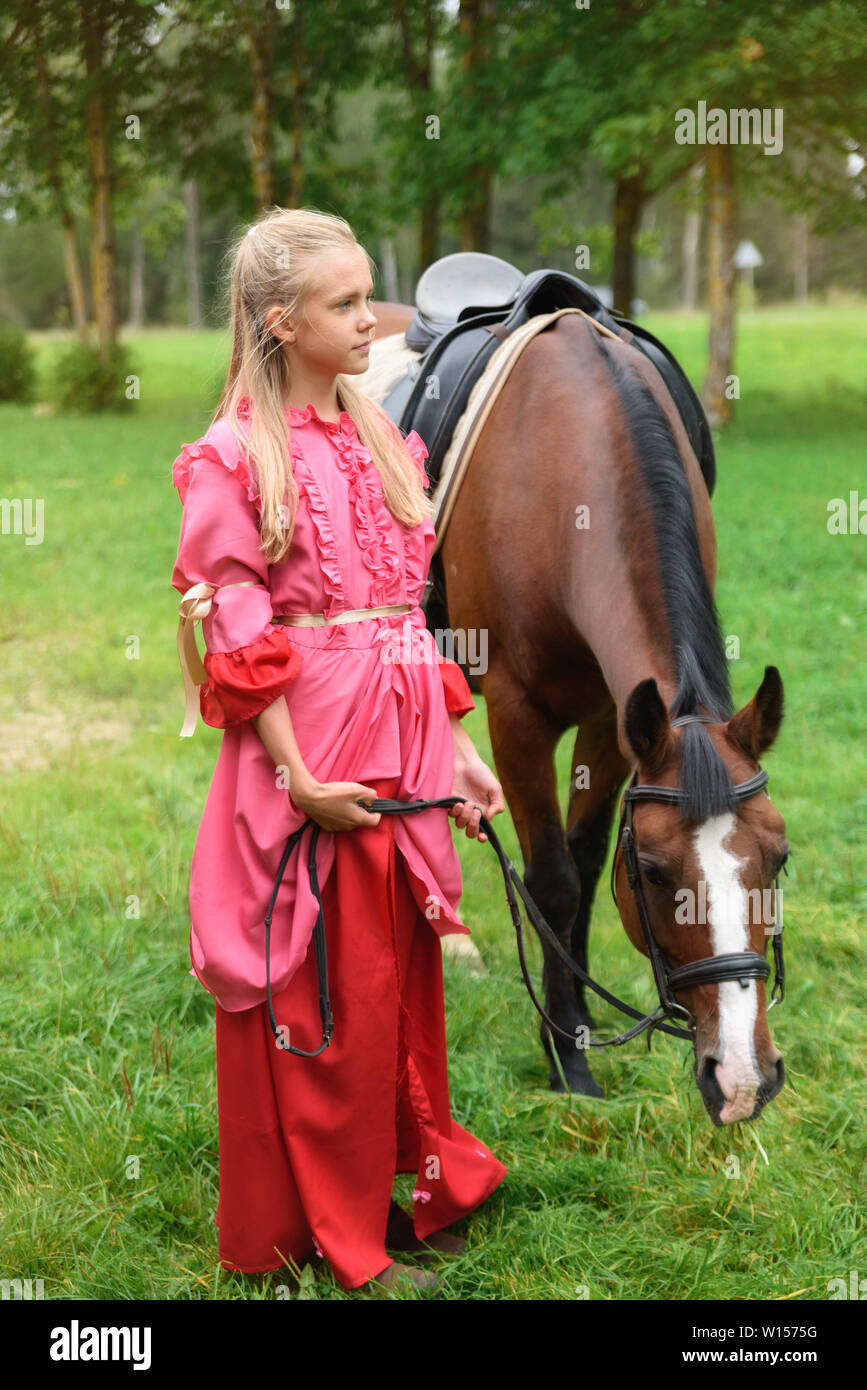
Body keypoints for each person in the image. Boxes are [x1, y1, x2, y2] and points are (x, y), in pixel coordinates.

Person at [170, 207, 508, 1296]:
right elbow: (238, 624)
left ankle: (411, 1180)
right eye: (347, 303)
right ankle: (319, 1219)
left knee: (399, 975)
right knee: (328, 984)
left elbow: (404, 611)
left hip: (402, 739)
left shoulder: (375, 432)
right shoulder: (236, 456)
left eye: (371, 294)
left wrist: (454, 747)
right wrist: (296, 776)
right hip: (311, 752)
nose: (375, 318)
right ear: (281, 322)